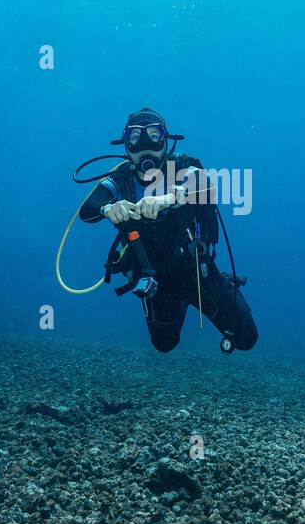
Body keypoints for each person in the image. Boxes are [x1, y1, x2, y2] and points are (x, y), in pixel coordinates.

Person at [79, 107, 258, 353]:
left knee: (246, 339)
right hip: (155, 276)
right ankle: (180, 304)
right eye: (134, 137)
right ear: (125, 144)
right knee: (164, 344)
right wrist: (108, 208)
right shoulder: (120, 178)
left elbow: (204, 183)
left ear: (165, 140)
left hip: (197, 271)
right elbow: (87, 209)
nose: (144, 144)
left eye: (153, 135)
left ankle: (226, 285)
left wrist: (169, 198)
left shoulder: (183, 166)